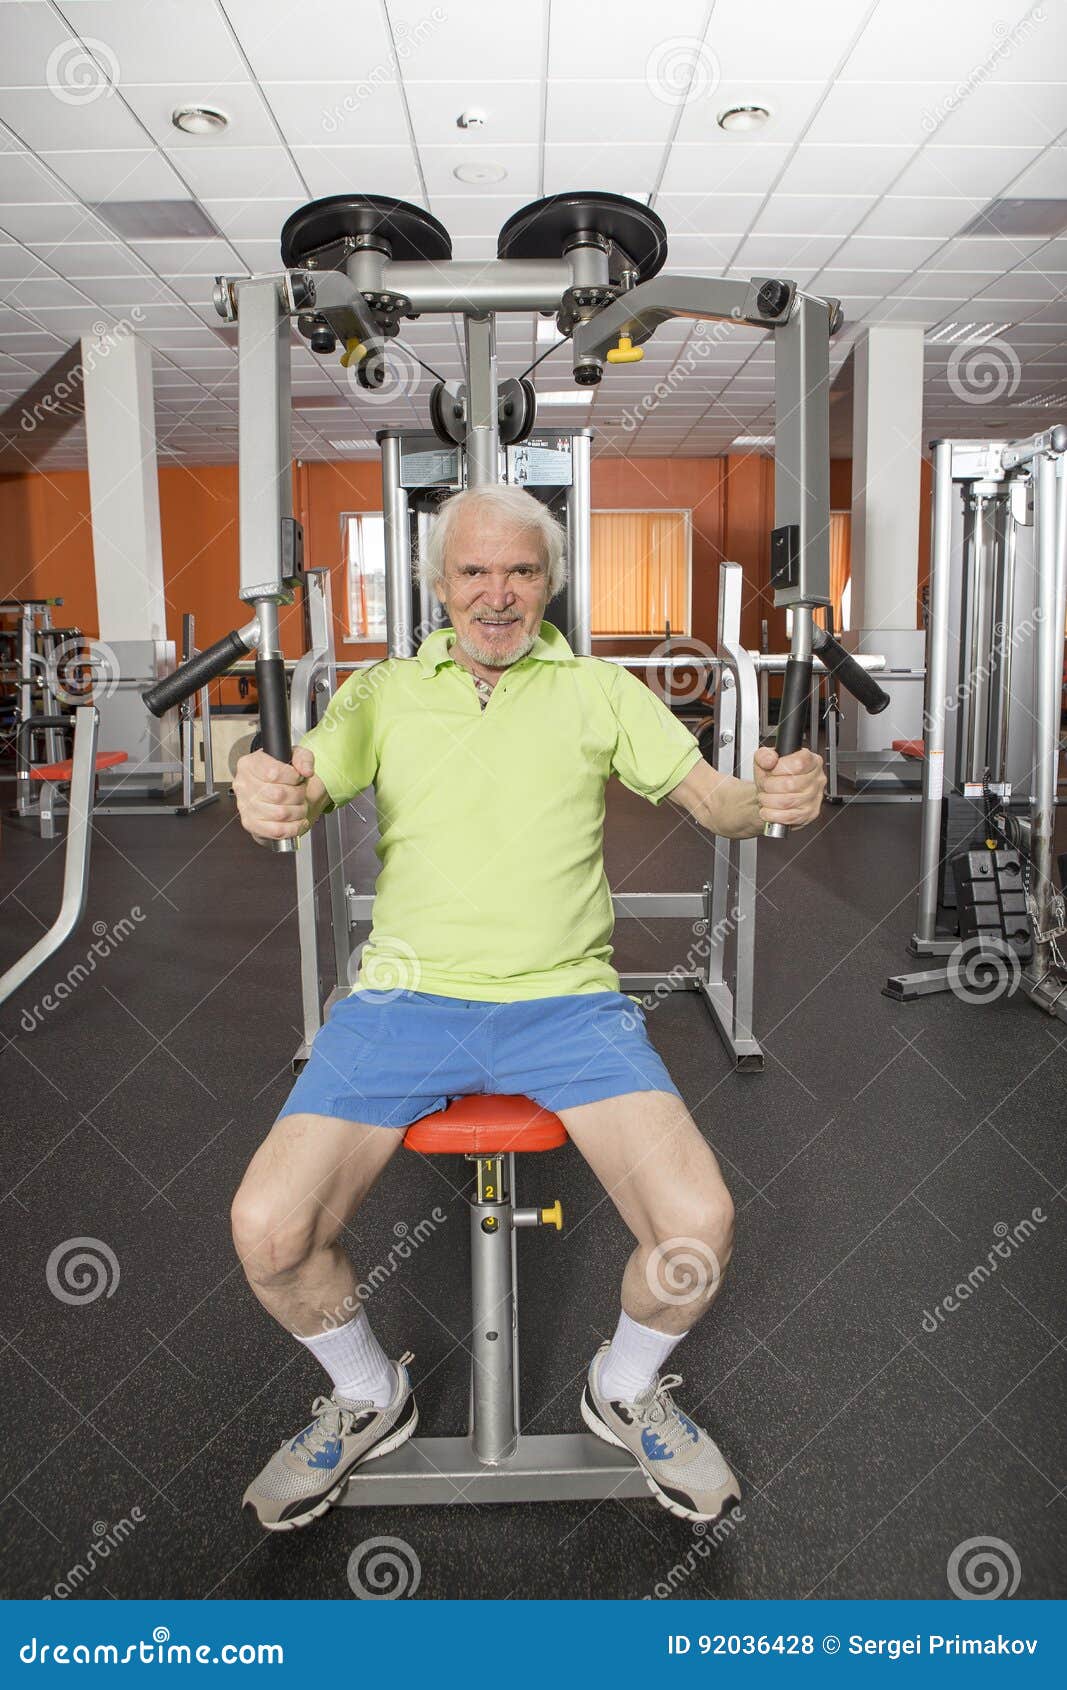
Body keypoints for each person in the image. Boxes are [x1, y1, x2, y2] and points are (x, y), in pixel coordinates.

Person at [231, 484, 825, 1532]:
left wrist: (768, 795)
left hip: (566, 1002)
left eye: (520, 572)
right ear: (437, 584)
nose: (496, 595)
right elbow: (302, 780)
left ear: (549, 582)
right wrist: (258, 782)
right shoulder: (380, 695)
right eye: (473, 572)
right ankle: (371, 1394)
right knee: (269, 1231)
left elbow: (713, 801)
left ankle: (624, 1387)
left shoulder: (595, 688)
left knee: (696, 1229)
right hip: (406, 997)